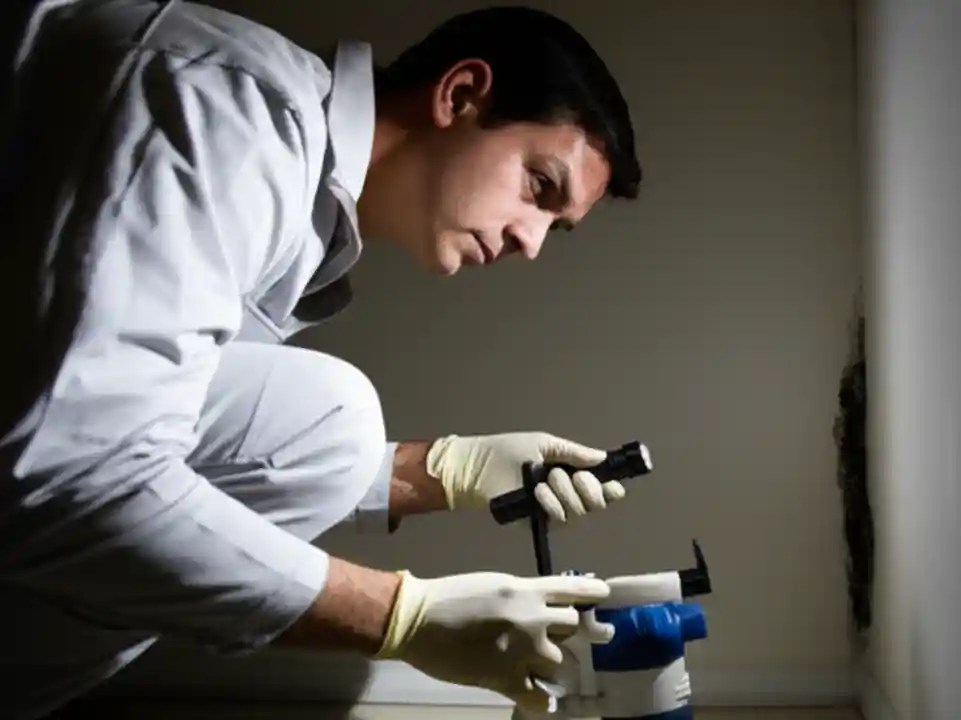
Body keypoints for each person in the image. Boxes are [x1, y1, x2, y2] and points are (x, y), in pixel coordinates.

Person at [0, 1, 644, 717]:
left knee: (334, 426)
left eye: (558, 226)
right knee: (334, 413)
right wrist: (402, 616)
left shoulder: (300, 192)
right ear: (459, 95)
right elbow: (74, 467)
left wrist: (441, 472)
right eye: (539, 187)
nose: (532, 241)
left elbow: (131, 426)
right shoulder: (232, 107)